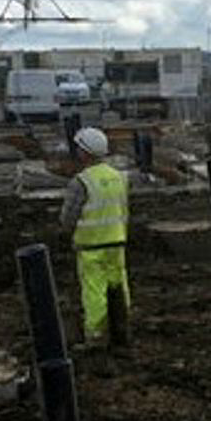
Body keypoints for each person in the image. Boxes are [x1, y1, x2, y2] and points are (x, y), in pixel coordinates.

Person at [60, 126, 130, 347]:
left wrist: (69, 234)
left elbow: (67, 218)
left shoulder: (82, 182)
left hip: (91, 246)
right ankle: (122, 330)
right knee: (118, 286)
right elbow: (124, 210)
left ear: (85, 152)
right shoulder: (119, 177)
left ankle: (96, 336)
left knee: (94, 292)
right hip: (117, 242)